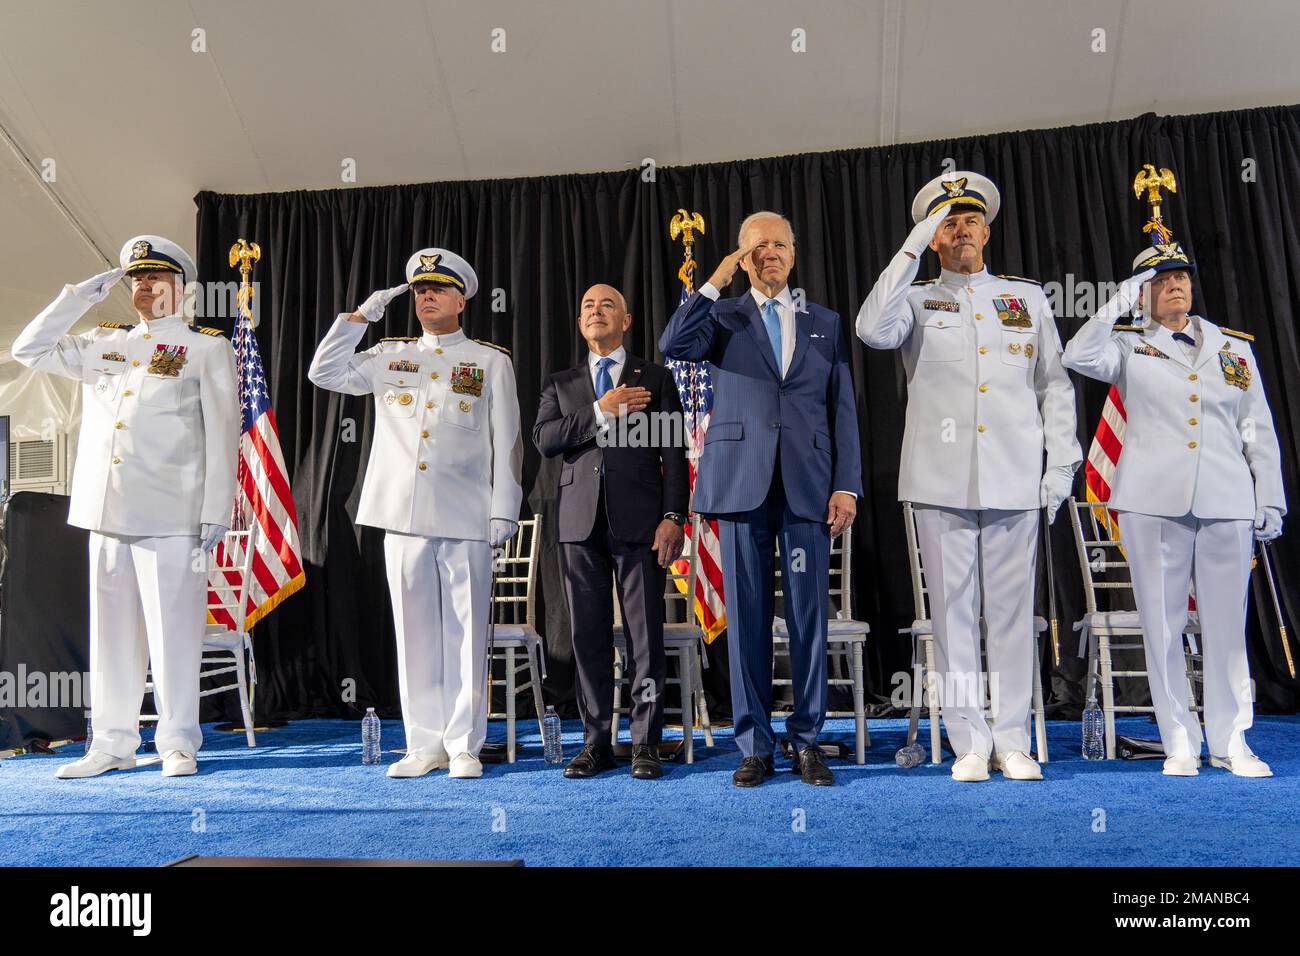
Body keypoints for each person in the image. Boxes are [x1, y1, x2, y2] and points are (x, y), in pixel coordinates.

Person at [856, 172, 1081, 782]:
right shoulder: (916, 297)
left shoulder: (1026, 299)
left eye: (970, 221)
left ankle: (1011, 738)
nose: (961, 231)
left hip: (1013, 474)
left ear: (987, 230)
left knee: (1011, 612)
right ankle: (969, 743)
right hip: (939, 478)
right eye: (948, 223)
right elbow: (870, 330)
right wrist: (908, 249)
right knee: (953, 613)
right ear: (933, 236)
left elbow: (1054, 385)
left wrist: (1060, 463)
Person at [12, 235, 239, 779]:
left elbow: (224, 431)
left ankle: (178, 740)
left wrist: (215, 509)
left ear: (180, 289)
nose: (144, 286)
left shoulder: (205, 348)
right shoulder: (102, 341)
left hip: (172, 513)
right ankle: (112, 743)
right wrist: (75, 298)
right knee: (110, 635)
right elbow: (29, 350)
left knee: (173, 632)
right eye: (136, 278)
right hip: (107, 512)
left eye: (156, 278)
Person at [1062, 235, 1284, 778]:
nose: (1174, 284)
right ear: (1143, 293)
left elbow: (1257, 427)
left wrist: (1269, 495)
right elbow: (1076, 354)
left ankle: (1232, 742)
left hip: (1226, 497)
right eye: (1160, 280)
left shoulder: (1233, 349)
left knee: (1228, 626)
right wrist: (1120, 301)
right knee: (1162, 625)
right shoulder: (1128, 345)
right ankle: (1180, 741)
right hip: (1151, 500)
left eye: (1180, 276)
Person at [659, 212, 862, 787]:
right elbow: (673, 344)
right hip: (740, 482)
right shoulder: (721, 316)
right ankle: (754, 745)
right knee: (746, 615)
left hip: (808, 485)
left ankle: (807, 741)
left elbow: (841, 407)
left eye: (779, 244)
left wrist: (846, 483)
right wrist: (717, 277)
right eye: (757, 246)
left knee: (807, 619)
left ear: (794, 254)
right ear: (742, 257)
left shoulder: (825, 322)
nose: (769, 253)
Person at [308, 248, 523, 779]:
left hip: (467, 513)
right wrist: (359, 318)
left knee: (467, 633)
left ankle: (465, 744)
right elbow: (324, 372)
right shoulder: (387, 354)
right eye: (420, 289)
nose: (426, 296)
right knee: (415, 632)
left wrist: (504, 510)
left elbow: (509, 442)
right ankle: (423, 744)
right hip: (401, 514)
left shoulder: (489, 361)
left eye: (438, 289)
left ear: (461, 298)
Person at [533, 284, 689, 779]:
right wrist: (603, 409)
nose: (595, 311)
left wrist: (674, 517)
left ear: (626, 320)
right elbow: (545, 440)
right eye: (586, 306)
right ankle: (596, 741)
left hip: (641, 524)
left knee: (645, 634)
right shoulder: (561, 383)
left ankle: (645, 742)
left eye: (606, 305)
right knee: (588, 636)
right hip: (579, 525)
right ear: (580, 323)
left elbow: (673, 454)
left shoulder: (657, 378)